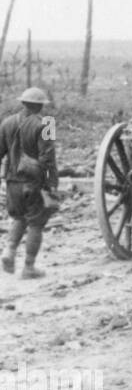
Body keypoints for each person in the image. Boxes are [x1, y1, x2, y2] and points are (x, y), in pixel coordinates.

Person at [1, 87, 59, 279]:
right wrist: (52, 184)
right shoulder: (47, 124)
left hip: (12, 181)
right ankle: (29, 267)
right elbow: (48, 158)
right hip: (34, 183)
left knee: (19, 218)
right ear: (41, 105)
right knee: (36, 223)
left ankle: (8, 252)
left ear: (23, 103)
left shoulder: (7, 123)